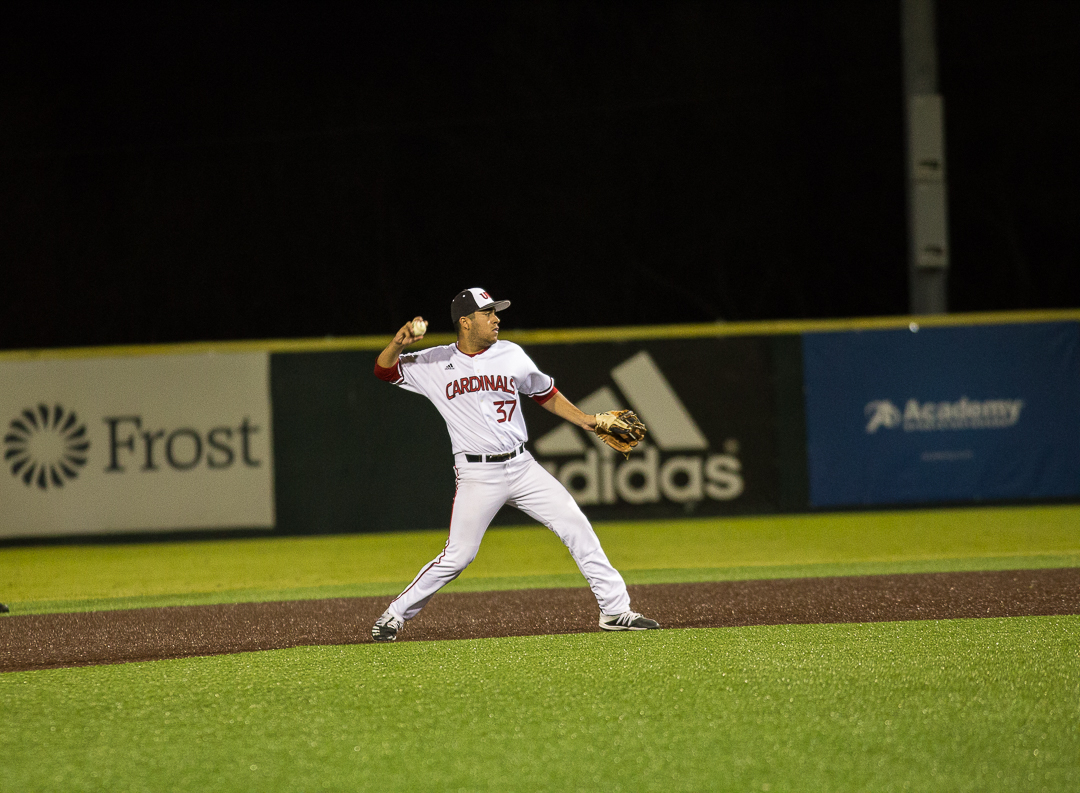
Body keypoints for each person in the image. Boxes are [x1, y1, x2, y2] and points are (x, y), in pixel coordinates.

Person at [370, 287, 660, 641]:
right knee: (458, 557)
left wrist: (585, 420)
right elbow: (384, 371)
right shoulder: (434, 362)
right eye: (488, 313)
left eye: (495, 312)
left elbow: (544, 393)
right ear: (466, 322)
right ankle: (394, 615)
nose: (496, 318)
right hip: (477, 474)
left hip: (523, 467)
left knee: (576, 524)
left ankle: (615, 610)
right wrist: (399, 341)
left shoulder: (510, 354)